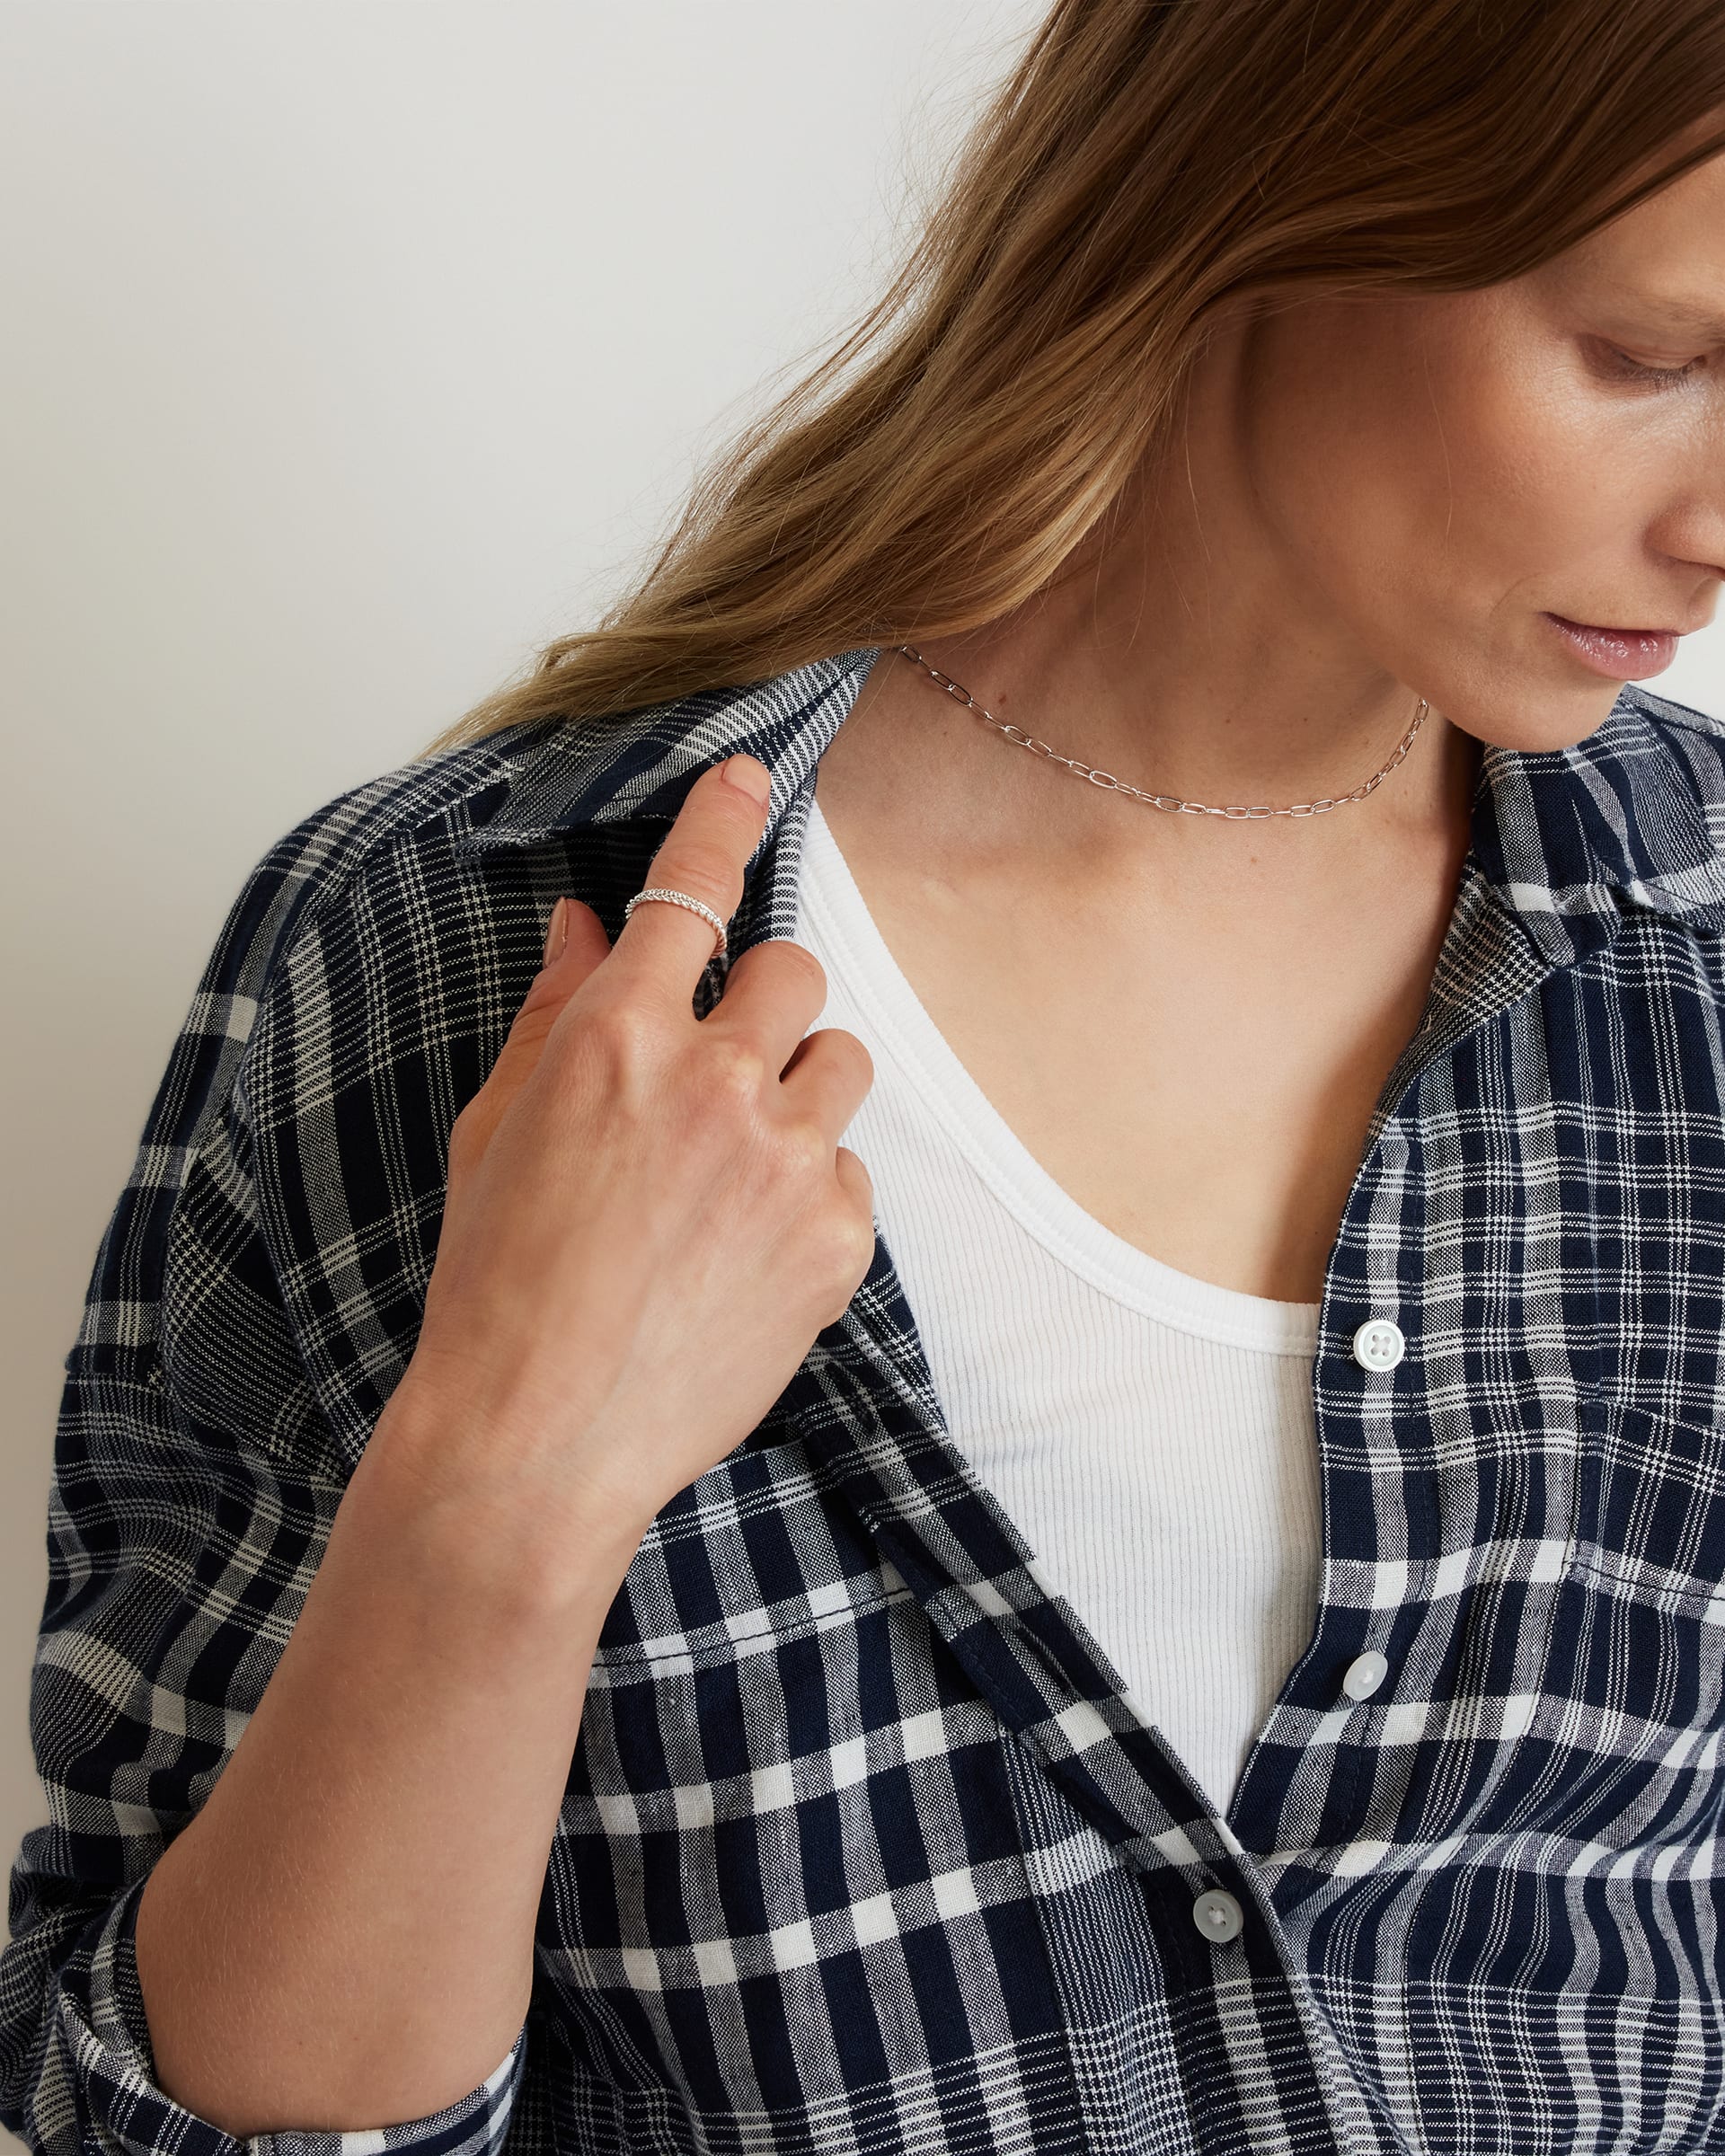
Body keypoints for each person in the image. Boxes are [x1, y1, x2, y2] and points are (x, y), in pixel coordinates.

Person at [5, 1, 1725, 2149]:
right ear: (1257, 215)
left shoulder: (1697, 949)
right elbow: (173, 2125)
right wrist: (506, 1496)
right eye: (1652, 359)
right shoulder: (475, 949)